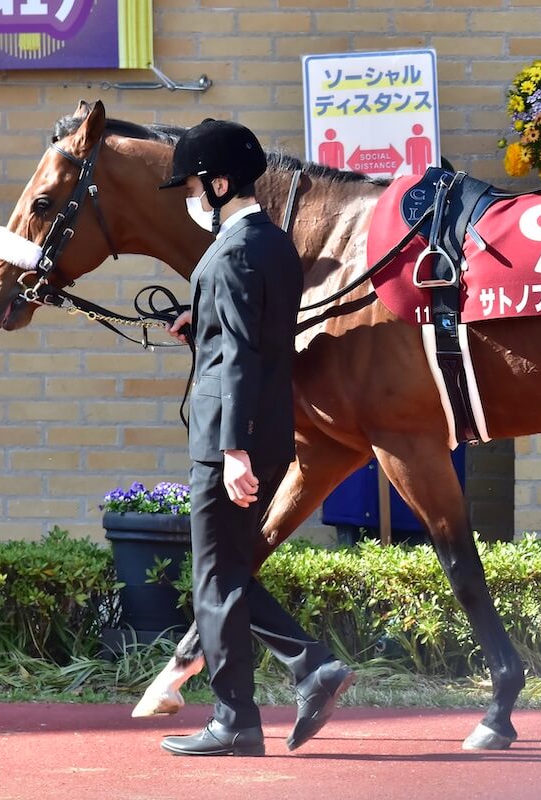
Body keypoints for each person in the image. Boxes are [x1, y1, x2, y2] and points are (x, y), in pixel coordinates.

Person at [157, 118, 355, 757]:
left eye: (191, 183)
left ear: (218, 183)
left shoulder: (235, 249)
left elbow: (243, 350)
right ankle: (307, 670)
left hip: (230, 434)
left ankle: (236, 719)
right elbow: (254, 331)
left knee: (214, 577)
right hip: (264, 425)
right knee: (232, 569)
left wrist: (233, 449)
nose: (188, 195)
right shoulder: (269, 241)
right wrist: (200, 323)